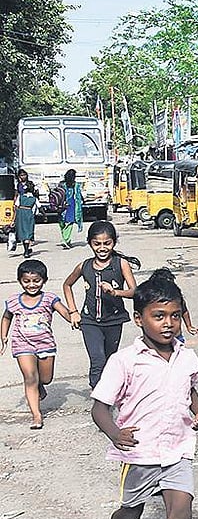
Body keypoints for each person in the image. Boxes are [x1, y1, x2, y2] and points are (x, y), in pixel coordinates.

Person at [91, 269, 198, 519]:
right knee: (131, 513)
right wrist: (114, 432)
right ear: (138, 318)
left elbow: (189, 389)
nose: (168, 323)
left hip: (177, 450)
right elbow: (100, 407)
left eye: (174, 315)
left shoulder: (187, 358)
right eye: (158, 316)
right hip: (140, 453)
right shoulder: (124, 361)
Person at [63, 221, 140, 388]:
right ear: (90, 243)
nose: (102, 248)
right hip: (89, 321)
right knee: (97, 359)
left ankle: (110, 390)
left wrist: (116, 292)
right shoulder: (84, 266)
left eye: (107, 243)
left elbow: (134, 291)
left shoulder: (121, 264)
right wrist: (73, 311)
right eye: (97, 244)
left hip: (114, 321)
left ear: (114, 242)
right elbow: (67, 285)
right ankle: (98, 394)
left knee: (110, 360)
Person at [1, 259, 72, 428]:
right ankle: (36, 415)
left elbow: (64, 312)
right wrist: (3, 336)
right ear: (20, 281)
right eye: (26, 281)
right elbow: (6, 317)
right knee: (30, 377)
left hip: (45, 344)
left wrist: (75, 319)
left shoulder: (49, 299)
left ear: (44, 280)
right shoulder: (14, 301)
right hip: (22, 344)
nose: (31, 285)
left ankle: (40, 384)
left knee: (45, 378)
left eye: (36, 281)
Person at [58, 169, 84, 249]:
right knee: (64, 223)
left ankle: (66, 239)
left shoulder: (64, 184)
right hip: (67, 205)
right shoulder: (65, 185)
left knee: (68, 222)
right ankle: (66, 240)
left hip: (69, 205)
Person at [14, 169, 38, 258]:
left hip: (27, 206)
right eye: (21, 175)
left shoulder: (30, 184)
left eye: (24, 175)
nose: (23, 176)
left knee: (27, 229)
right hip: (22, 207)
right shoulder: (18, 185)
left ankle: (27, 249)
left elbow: (36, 195)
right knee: (25, 229)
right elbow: (16, 194)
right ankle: (27, 249)